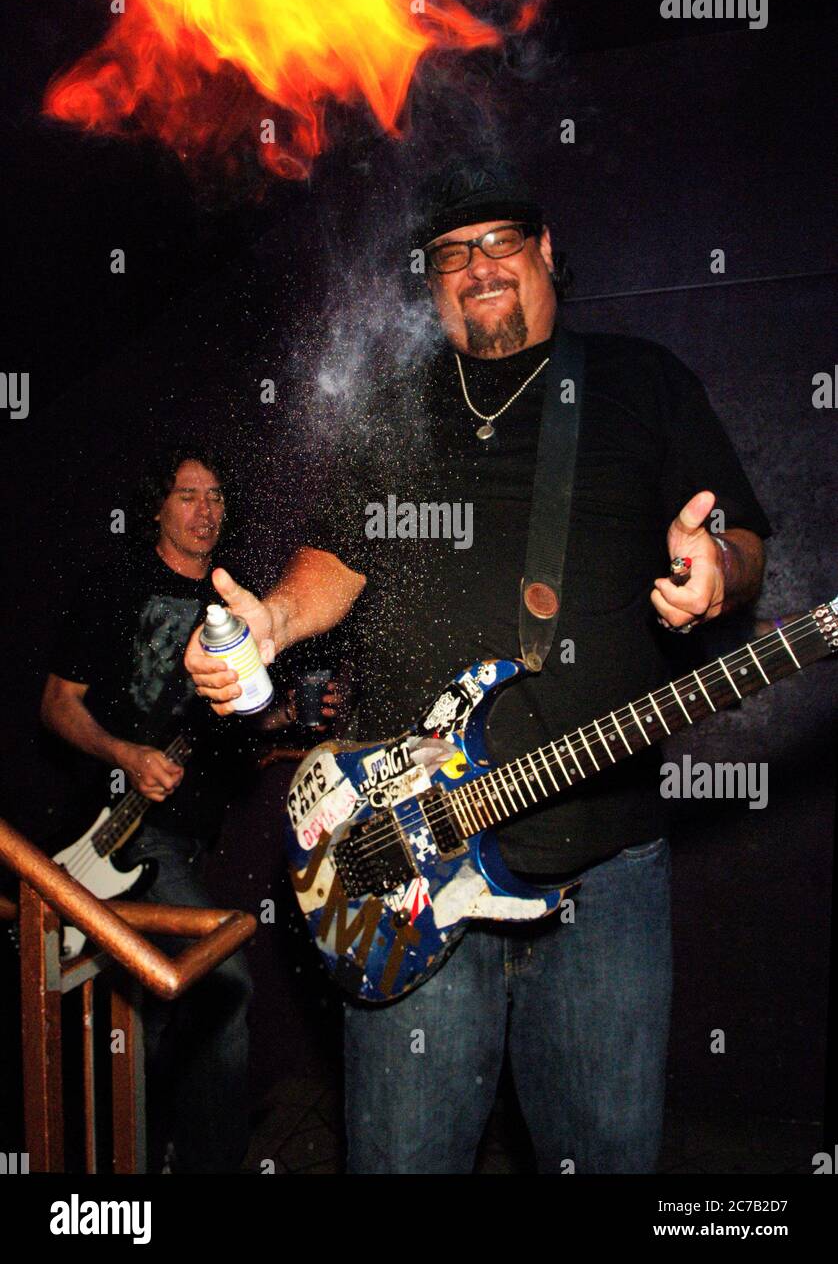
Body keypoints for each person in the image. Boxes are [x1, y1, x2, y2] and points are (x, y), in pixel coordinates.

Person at [184, 159, 771, 1174]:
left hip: (603, 870)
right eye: (451, 254)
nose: (476, 265)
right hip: (412, 851)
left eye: (499, 241)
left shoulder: (640, 380)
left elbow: (742, 534)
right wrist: (275, 619)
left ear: (546, 252)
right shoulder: (399, 404)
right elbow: (341, 553)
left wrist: (716, 564)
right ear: (432, 285)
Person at [41, 446, 257, 1173]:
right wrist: (126, 756)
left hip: (189, 836)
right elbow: (56, 705)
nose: (207, 510)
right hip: (120, 833)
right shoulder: (117, 585)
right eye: (189, 496)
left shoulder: (234, 606)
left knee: (158, 1020)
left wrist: (294, 711)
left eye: (217, 496)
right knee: (223, 984)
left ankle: (151, 1153)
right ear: (157, 509)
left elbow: (244, 727)